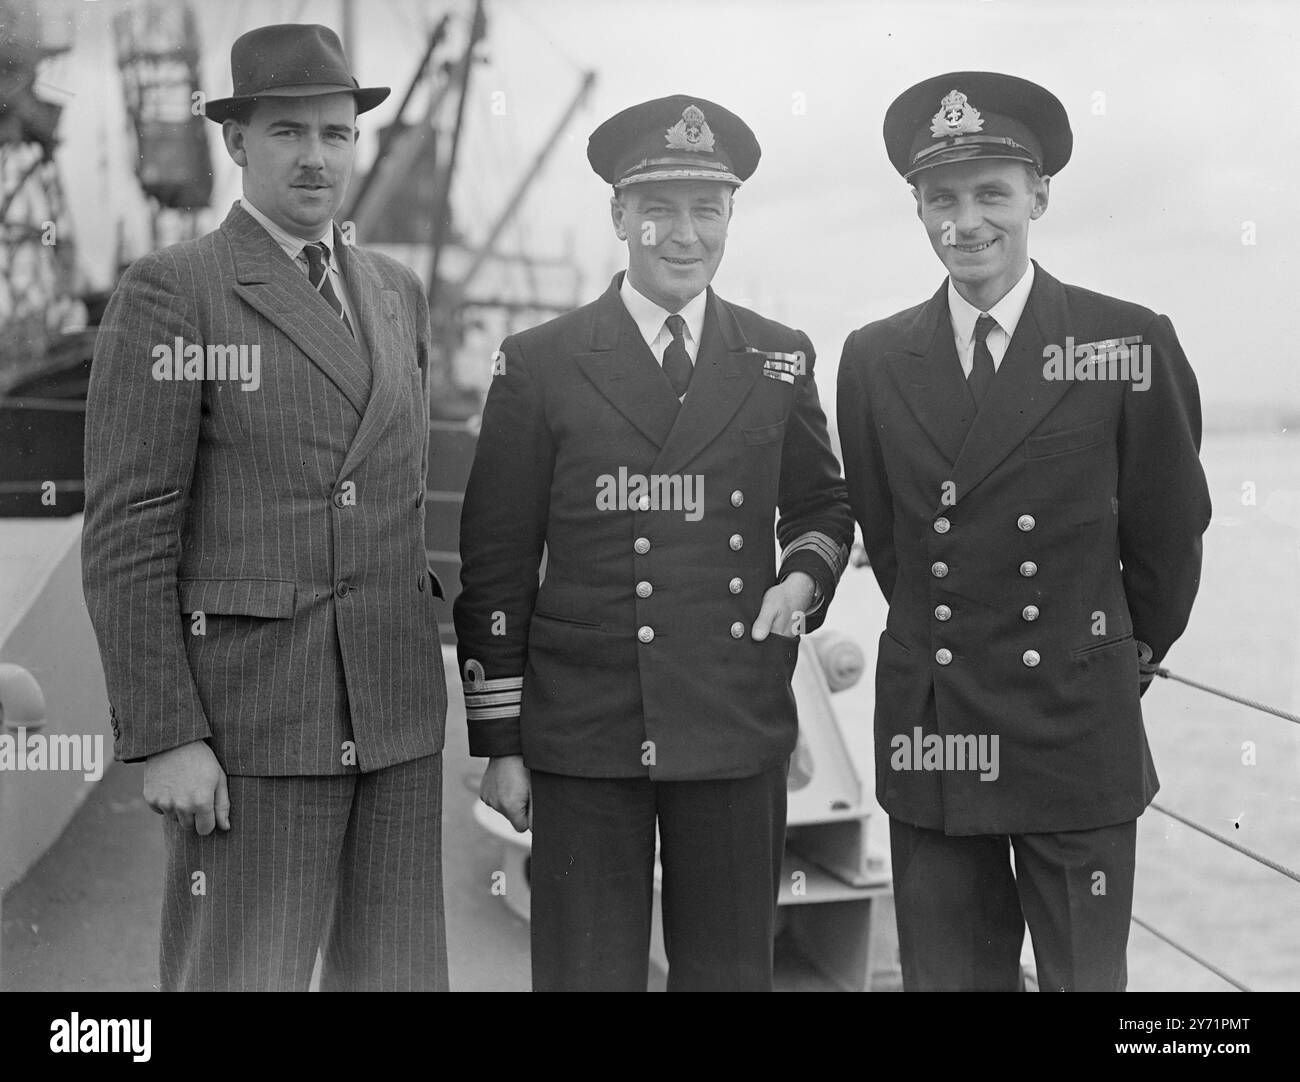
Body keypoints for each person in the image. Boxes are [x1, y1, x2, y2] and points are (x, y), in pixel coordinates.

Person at [454, 95, 854, 991]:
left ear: (730, 218)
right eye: (659, 210)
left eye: (706, 209)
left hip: (732, 716)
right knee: (586, 976)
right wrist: (501, 744)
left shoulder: (779, 356)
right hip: (587, 730)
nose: (684, 234)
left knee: (729, 978)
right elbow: (497, 564)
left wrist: (800, 581)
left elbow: (823, 506)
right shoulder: (541, 362)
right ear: (619, 216)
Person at [81, 23, 448, 991]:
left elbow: (402, 499)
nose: (316, 157)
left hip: (396, 716)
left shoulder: (397, 292)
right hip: (256, 725)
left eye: (336, 133)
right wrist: (167, 732)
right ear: (237, 141)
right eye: (288, 132)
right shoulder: (175, 292)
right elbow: (127, 534)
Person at [836, 71, 1212, 992]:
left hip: (1074, 729)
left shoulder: (1123, 342)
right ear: (917, 208)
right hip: (937, 730)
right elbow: (892, 542)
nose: (966, 222)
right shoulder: (875, 357)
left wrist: (1113, 661)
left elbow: (1169, 532)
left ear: (1038, 196)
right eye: (942, 199)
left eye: (991, 194)